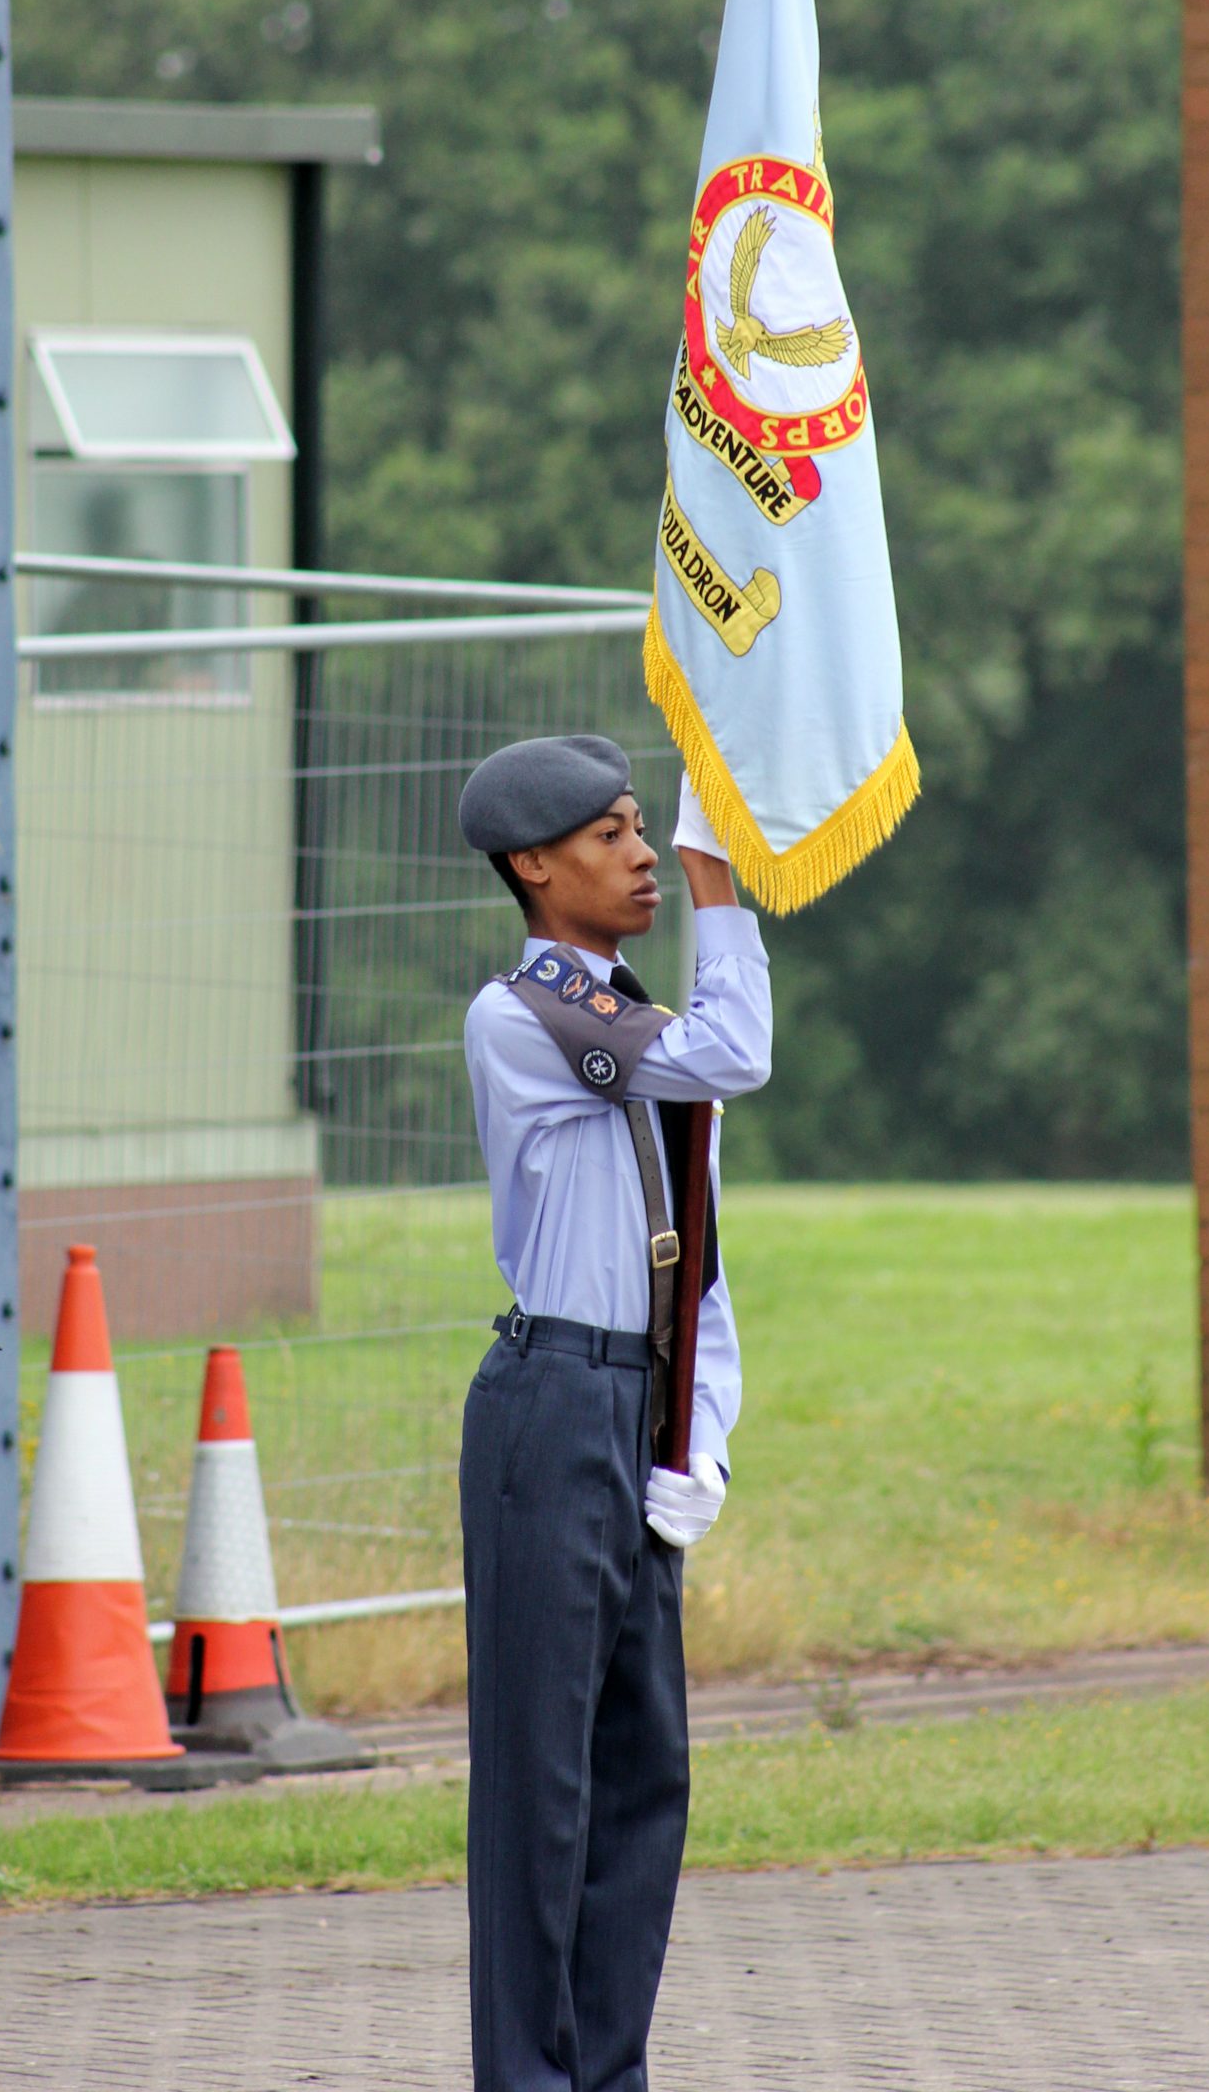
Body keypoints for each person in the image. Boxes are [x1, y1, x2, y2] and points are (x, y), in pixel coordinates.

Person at [456, 733, 772, 2092]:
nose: (645, 857)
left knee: (645, 1777)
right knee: (542, 1790)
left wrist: (704, 1431)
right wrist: (721, 887)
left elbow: (691, 1251)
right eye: (613, 836)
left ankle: (606, 2072)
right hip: (551, 1406)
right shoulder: (531, 1009)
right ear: (534, 865)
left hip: (634, 1402)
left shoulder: (626, 1019)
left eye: (648, 829)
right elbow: (733, 1051)